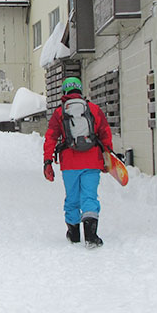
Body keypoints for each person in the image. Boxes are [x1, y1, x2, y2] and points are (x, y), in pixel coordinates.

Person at [42, 77, 113, 248]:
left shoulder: (60, 113)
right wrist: (108, 156)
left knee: (72, 197)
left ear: (64, 92)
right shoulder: (94, 109)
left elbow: (50, 137)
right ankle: (91, 236)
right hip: (92, 161)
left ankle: (73, 234)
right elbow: (105, 133)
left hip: (70, 163)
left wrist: (47, 161)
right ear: (80, 90)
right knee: (89, 196)